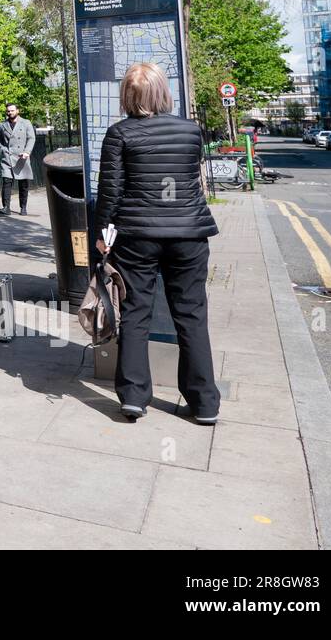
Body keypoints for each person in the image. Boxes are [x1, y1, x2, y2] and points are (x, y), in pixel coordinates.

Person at [94, 62, 220, 424]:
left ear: (127, 97)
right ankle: (204, 403)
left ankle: (133, 396)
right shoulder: (191, 131)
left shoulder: (119, 134)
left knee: (135, 313)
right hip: (189, 234)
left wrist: (102, 237)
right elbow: (191, 179)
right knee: (192, 315)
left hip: (138, 236)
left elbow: (111, 193)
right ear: (163, 92)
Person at [0, 104, 36, 215]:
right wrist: (3, 149)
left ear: (17, 111)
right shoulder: (2, 125)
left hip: (21, 157)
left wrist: (27, 152)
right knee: (6, 182)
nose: (10, 113)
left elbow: (31, 138)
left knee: (23, 183)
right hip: (7, 157)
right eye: (8, 111)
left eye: (12, 110)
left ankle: (23, 207)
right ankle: (6, 207)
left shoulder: (26, 123)